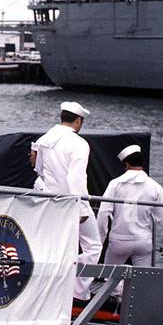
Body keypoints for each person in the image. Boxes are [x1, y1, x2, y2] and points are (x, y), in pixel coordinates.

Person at [32, 101, 96, 299]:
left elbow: (39, 170)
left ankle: (48, 288)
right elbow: (75, 179)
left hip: (50, 202)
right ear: (78, 121)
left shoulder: (44, 140)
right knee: (92, 246)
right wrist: (82, 209)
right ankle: (77, 291)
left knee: (53, 245)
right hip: (71, 203)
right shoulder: (79, 143)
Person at [96, 144, 163, 274]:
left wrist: (99, 240)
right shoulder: (155, 187)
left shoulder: (115, 184)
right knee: (142, 278)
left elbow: (103, 214)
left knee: (108, 276)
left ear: (126, 164)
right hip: (143, 241)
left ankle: (116, 293)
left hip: (119, 240)